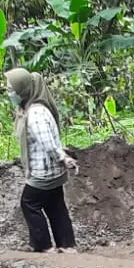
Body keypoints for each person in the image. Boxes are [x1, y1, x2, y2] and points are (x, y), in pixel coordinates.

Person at [6, 67, 79, 253]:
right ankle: (67, 245)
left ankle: (44, 246)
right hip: (53, 170)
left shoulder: (35, 114)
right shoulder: (34, 109)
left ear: (22, 90)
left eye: (11, 89)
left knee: (29, 203)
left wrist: (63, 158)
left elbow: (48, 143)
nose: (9, 93)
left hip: (44, 172)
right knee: (55, 205)